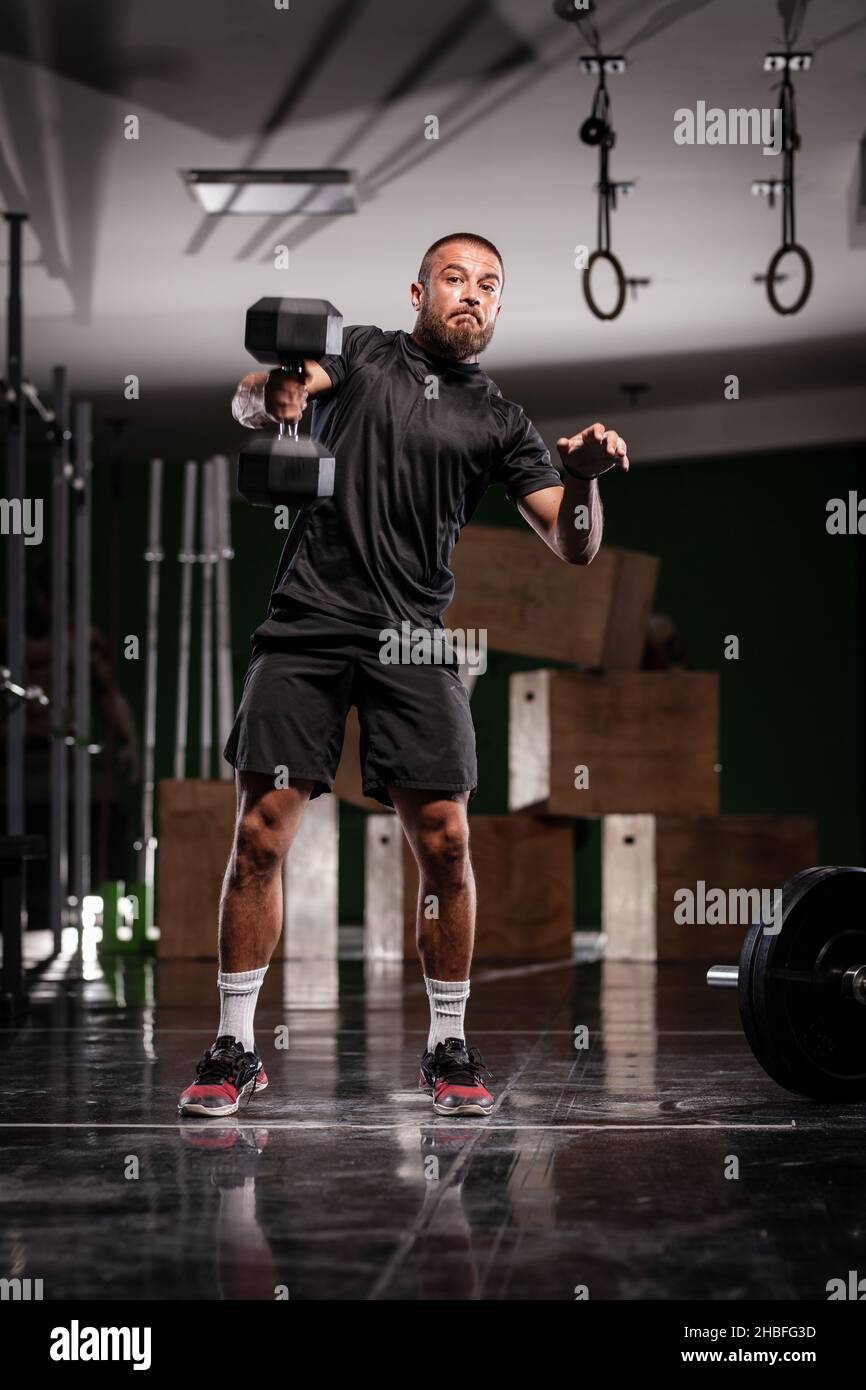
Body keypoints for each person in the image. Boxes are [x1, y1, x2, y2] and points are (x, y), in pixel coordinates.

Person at [178, 233, 629, 1119]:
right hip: (306, 627)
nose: (472, 294)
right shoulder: (361, 353)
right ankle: (236, 1045)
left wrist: (582, 480)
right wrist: (271, 393)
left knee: (449, 847)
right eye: (455, 278)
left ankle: (448, 1045)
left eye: (490, 285)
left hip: (414, 643)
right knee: (261, 838)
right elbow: (260, 398)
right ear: (419, 288)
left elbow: (575, 544)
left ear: (500, 307)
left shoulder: (501, 419)